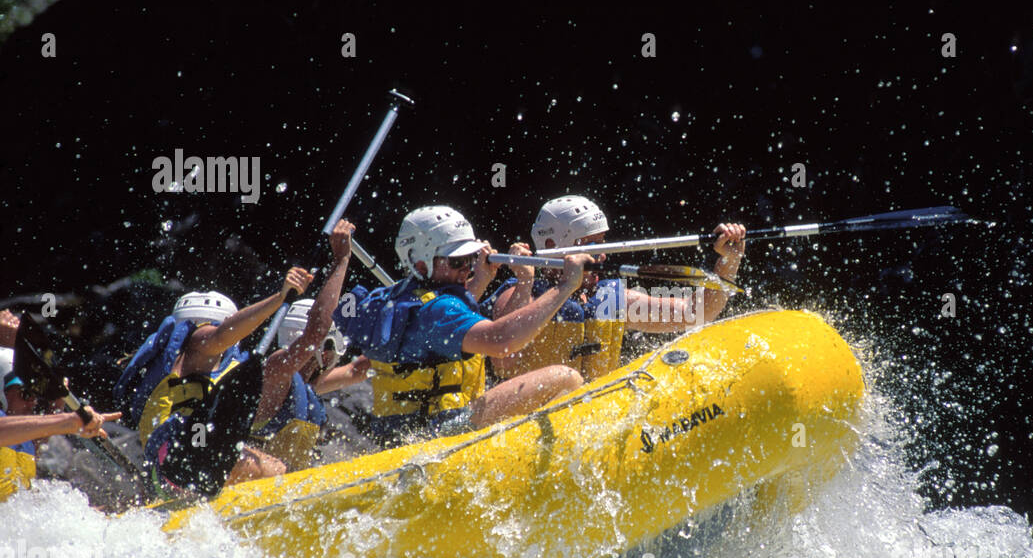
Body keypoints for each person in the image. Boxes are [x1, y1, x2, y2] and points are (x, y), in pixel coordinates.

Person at [334, 205, 594, 446]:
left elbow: (444, 326)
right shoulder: (437, 310)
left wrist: (481, 277)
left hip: (403, 435)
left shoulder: (396, 298)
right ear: (421, 262)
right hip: (438, 432)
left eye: (470, 259)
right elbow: (502, 341)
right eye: (458, 262)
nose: (467, 268)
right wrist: (565, 286)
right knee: (565, 377)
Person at [485, 196, 746, 381]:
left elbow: (696, 312)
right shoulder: (522, 294)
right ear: (554, 246)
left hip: (595, 421)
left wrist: (729, 261)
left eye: (603, 244)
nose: (603, 257)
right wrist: (525, 282)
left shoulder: (610, 299)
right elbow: (502, 362)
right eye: (593, 246)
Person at [113, 268, 312, 495]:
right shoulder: (192, 346)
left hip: (183, 463)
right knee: (273, 470)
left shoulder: (220, 365)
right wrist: (279, 298)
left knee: (274, 463)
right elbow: (221, 336)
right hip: (178, 465)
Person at [232, 220, 369, 481]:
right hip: (254, 489)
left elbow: (359, 368)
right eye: (329, 347)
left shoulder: (310, 382)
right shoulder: (276, 371)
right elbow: (316, 330)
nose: (332, 356)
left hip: (284, 491)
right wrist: (340, 262)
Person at [1, 344, 119, 501]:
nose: (32, 402)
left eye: (35, 394)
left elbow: (24, 449)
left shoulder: (21, 437)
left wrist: (57, 405)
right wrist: (68, 421)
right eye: (25, 393)